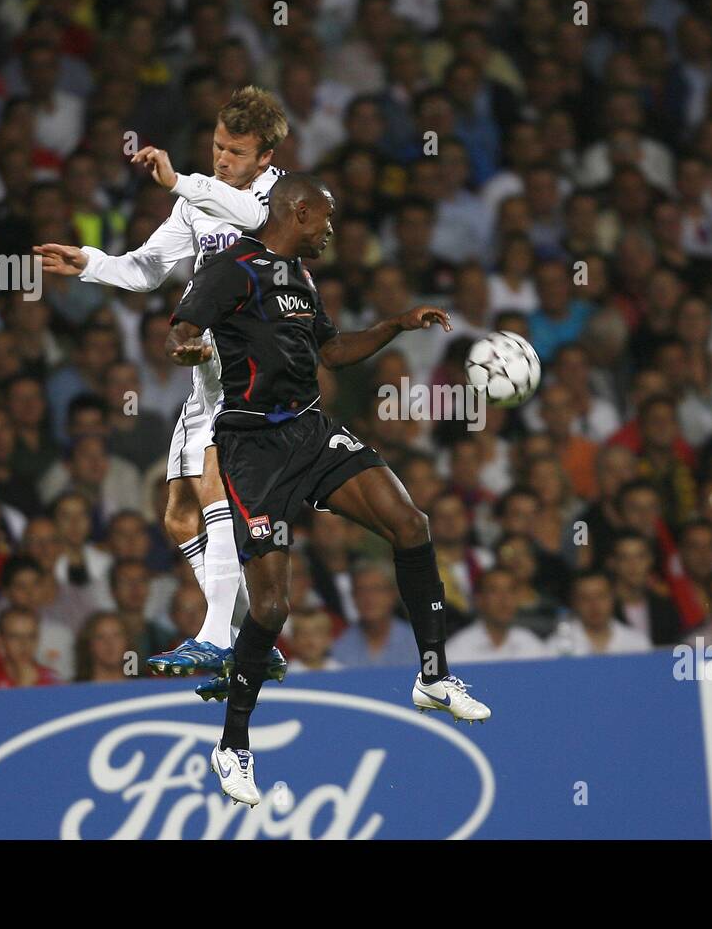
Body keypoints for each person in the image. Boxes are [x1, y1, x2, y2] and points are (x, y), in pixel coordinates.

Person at [166, 171, 490, 804]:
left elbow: (333, 352)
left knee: (411, 525)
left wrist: (397, 322)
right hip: (253, 450)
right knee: (271, 609)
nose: (333, 231)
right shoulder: (234, 268)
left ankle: (433, 676)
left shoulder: (301, 280)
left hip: (312, 435)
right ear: (300, 212)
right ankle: (233, 745)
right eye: (327, 220)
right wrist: (186, 348)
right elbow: (183, 325)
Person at [37, 87, 289, 681]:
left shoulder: (283, 198)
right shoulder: (196, 202)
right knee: (177, 514)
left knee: (214, 488)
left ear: (266, 156)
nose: (223, 159)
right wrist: (91, 262)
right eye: (217, 147)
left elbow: (254, 219)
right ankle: (250, 637)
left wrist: (181, 180)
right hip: (205, 372)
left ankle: (215, 636)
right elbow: (148, 269)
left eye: (237, 151)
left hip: (257, 370)